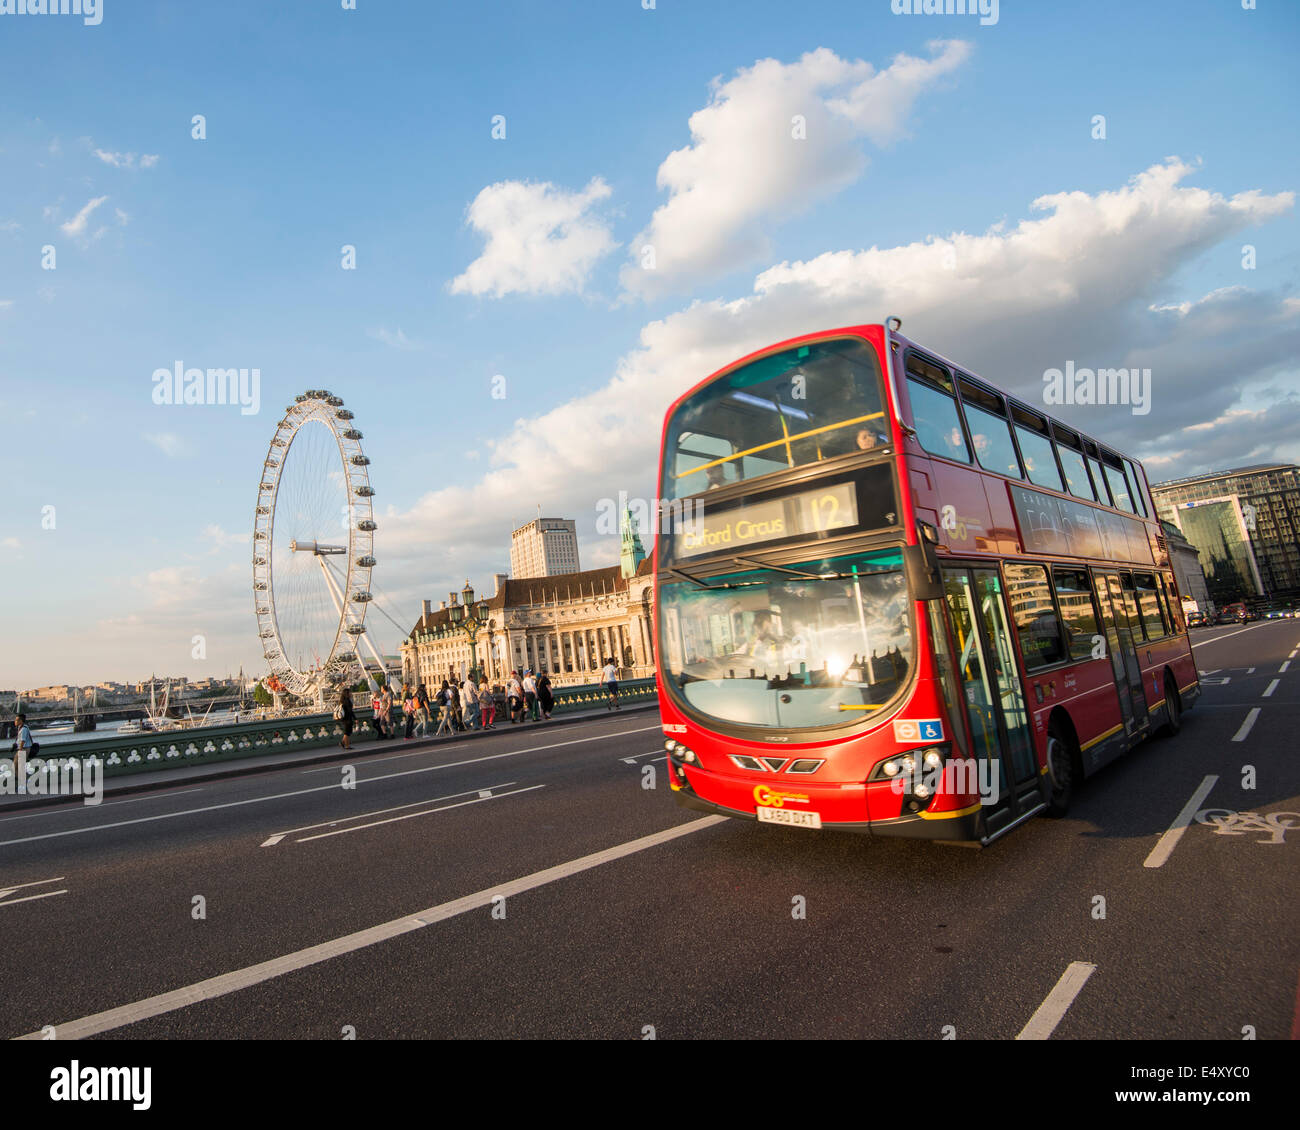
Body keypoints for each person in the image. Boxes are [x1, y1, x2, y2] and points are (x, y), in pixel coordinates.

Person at [13, 713, 32, 795]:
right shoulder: (21, 727)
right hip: (22, 749)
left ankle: (23, 784)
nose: (15, 721)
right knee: (17, 767)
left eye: (17, 720)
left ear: (21, 721)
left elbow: (23, 740)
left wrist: (20, 750)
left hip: (23, 749)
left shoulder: (23, 729)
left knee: (18, 767)